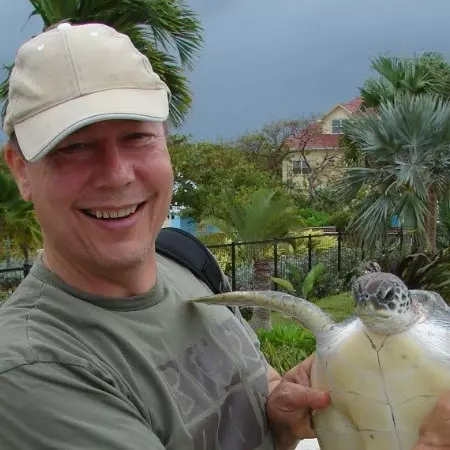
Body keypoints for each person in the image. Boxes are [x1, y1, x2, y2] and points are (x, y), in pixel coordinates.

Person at [0, 22, 447, 450]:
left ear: (165, 141)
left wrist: (277, 417)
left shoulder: (182, 265)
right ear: (20, 169)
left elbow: (254, 391)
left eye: (137, 137)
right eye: (74, 147)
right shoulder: (32, 368)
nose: (116, 174)